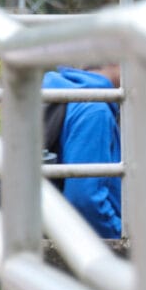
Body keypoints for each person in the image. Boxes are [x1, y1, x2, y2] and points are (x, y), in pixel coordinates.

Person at [43, 63, 122, 238]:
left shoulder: (61, 91)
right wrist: (122, 237)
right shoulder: (95, 110)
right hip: (90, 242)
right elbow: (85, 199)